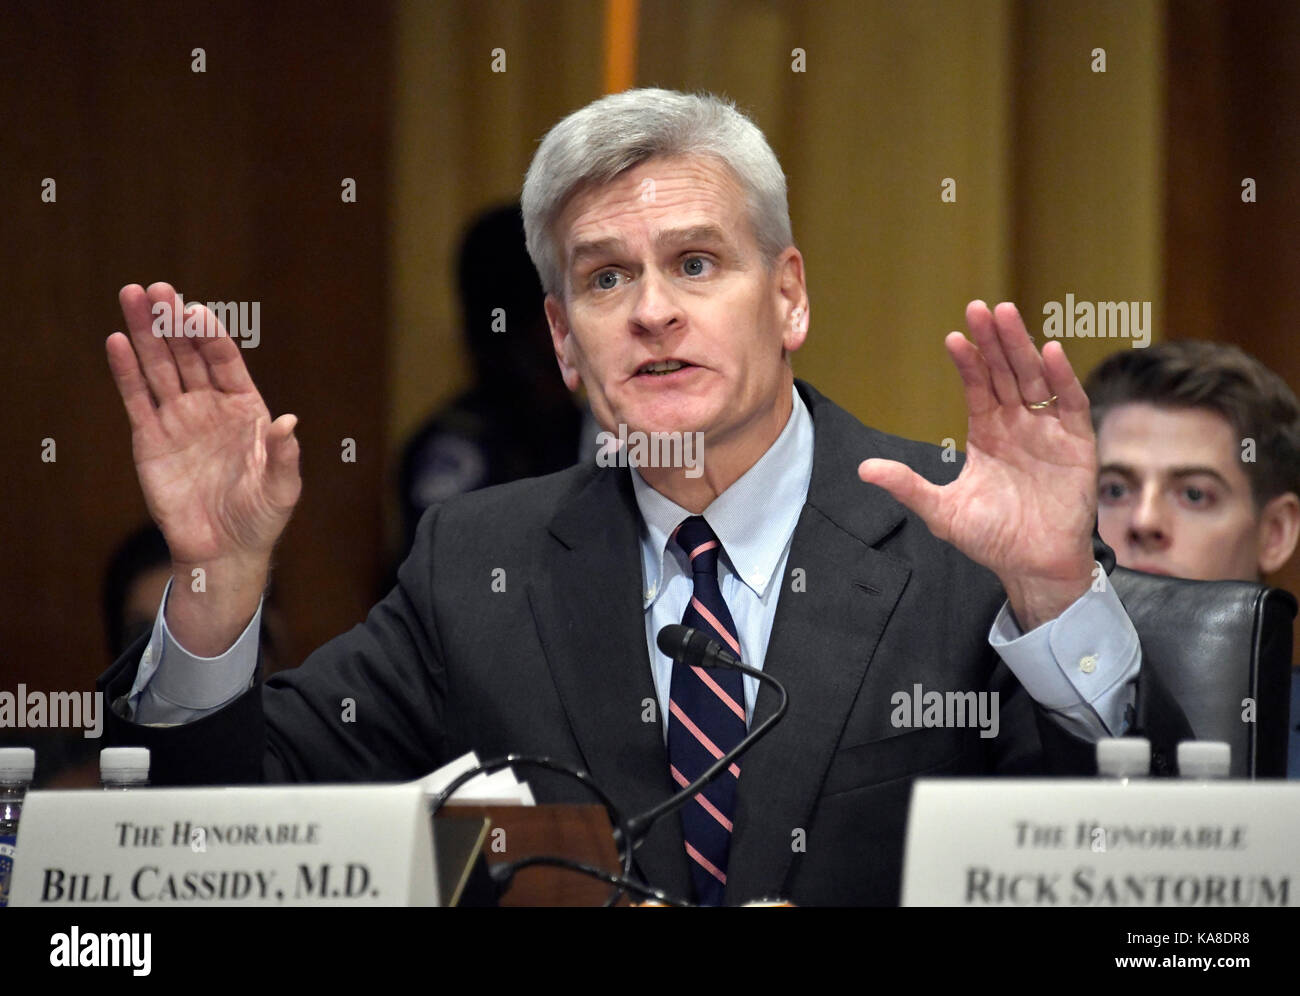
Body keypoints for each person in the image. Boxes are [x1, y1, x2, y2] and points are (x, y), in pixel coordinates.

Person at [98, 88, 1191, 906]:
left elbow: (1144, 877)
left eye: (698, 263)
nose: (653, 312)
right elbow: (215, 838)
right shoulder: (480, 564)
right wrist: (217, 580)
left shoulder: (961, 536)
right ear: (565, 342)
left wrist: (1054, 593)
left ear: (790, 294)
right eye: (606, 277)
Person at [1085, 340, 1300, 776]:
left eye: (1194, 494)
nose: (1144, 522)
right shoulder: (1010, 720)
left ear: (1275, 532)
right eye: (1114, 490)